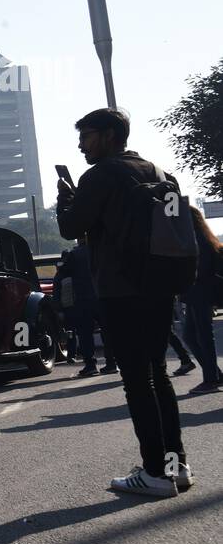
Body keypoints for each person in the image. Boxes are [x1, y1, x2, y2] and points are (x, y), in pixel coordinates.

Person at [56, 107, 191, 497]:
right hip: (160, 284)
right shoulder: (162, 173)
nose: (81, 144)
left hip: (120, 288)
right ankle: (174, 465)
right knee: (157, 374)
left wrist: (67, 201)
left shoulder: (99, 176)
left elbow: (69, 228)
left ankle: (154, 473)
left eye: (88, 135)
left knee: (137, 381)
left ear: (110, 136)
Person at [182, 205, 222, 393]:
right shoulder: (205, 237)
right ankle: (214, 374)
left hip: (199, 291)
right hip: (197, 293)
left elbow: (199, 271)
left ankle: (211, 379)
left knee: (203, 336)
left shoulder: (196, 240)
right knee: (192, 335)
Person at [63, 240, 100, 377]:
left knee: (85, 334)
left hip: (83, 298)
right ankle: (111, 363)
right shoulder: (101, 249)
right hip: (102, 295)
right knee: (108, 333)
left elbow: (64, 272)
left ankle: (91, 365)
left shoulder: (75, 254)